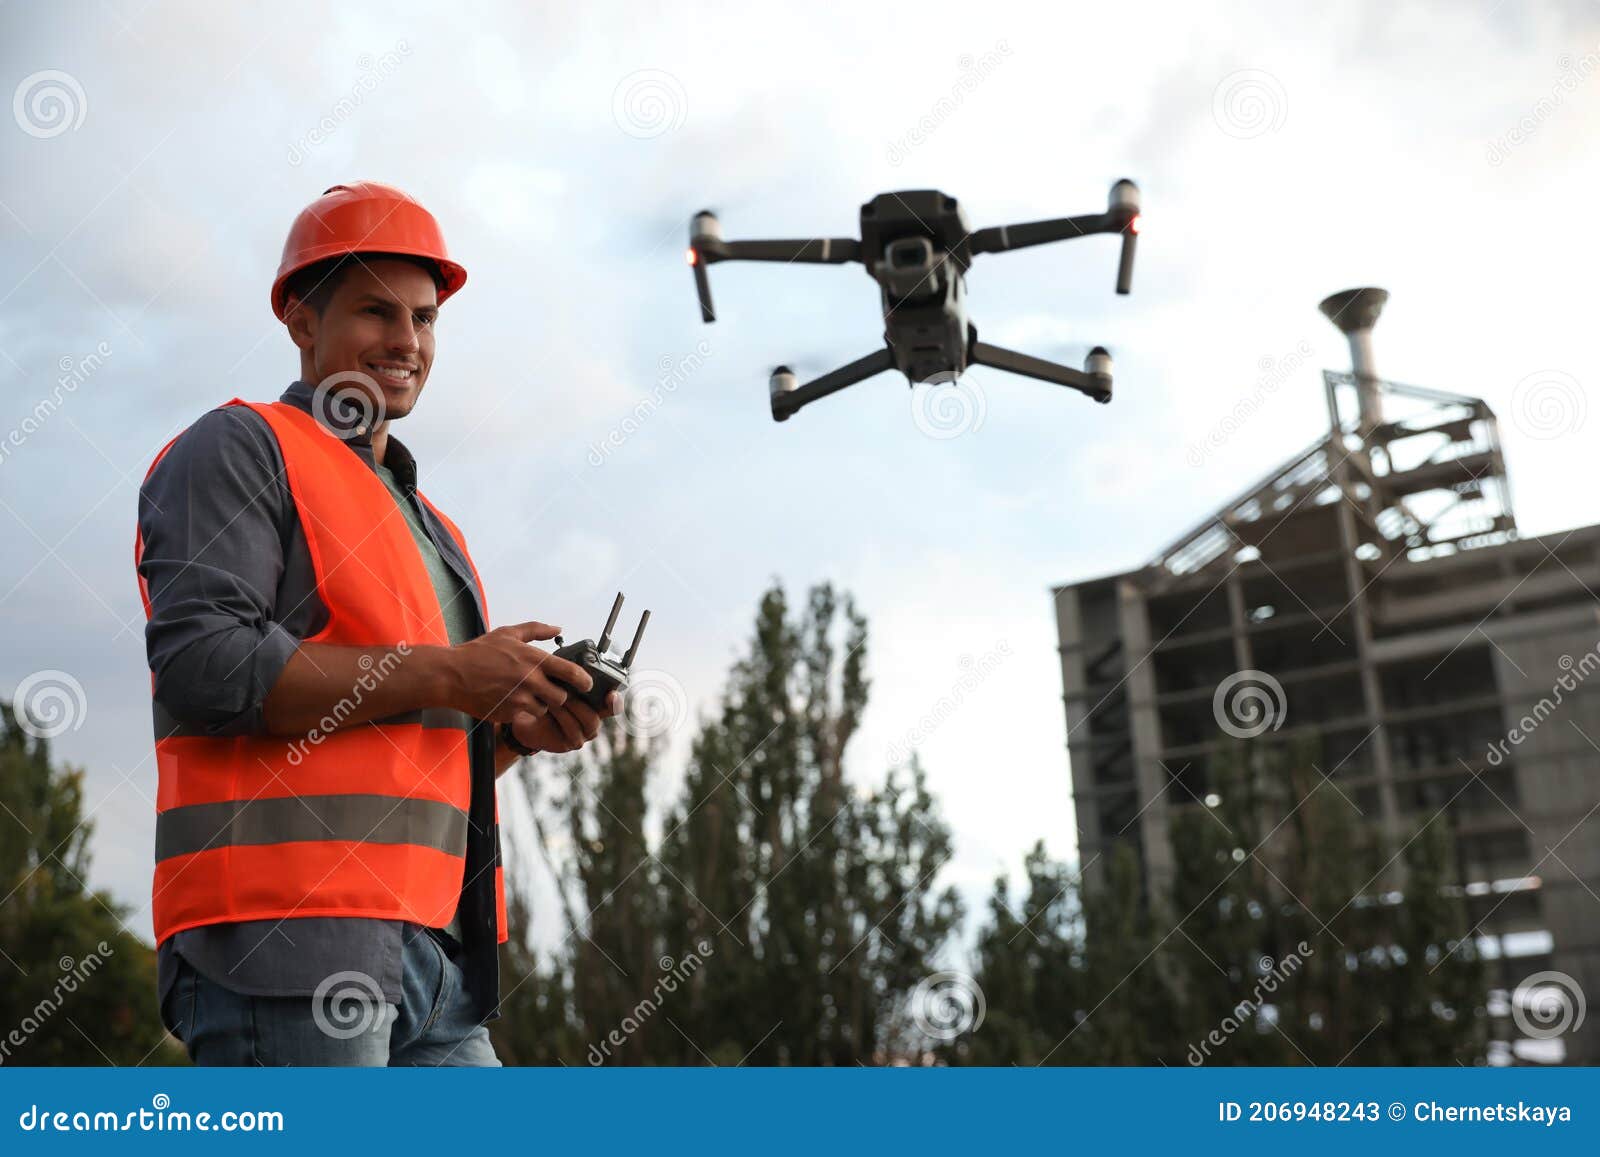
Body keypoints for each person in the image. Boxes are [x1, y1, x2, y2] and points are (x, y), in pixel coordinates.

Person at [133, 181, 617, 1065]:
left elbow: (399, 757)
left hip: (434, 965)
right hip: (286, 944)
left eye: (425, 319)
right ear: (299, 320)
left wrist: (510, 736)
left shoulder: (434, 527)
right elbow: (206, 666)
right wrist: (449, 674)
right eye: (375, 311)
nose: (407, 341)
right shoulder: (241, 447)